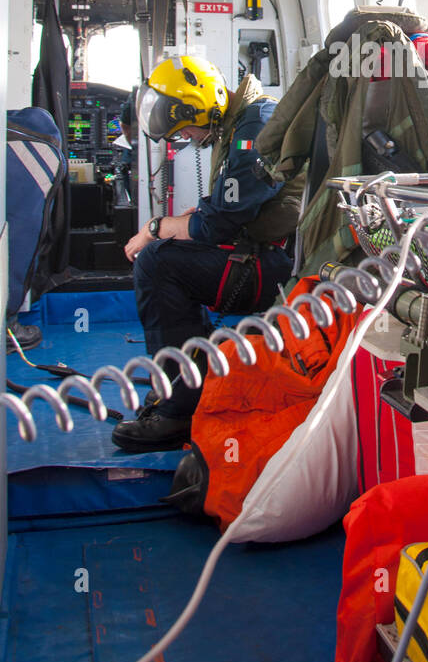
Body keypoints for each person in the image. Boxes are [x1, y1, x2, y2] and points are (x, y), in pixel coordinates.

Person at [112, 55, 298, 453]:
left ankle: (180, 410)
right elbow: (226, 209)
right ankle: (185, 377)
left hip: (278, 266)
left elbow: (217, 224)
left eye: (189, 129)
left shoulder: (255, 128)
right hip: (259, 249)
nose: (191, 138)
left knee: (156, 263)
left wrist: (155, 227)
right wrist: (179, 225)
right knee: (167, 251)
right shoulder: (241, 121)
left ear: (206, 107)